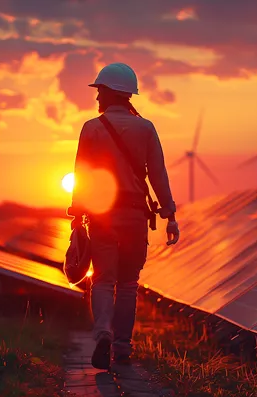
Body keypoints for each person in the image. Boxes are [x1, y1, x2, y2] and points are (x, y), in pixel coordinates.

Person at [67, 62, 180, 370]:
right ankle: (122, 345)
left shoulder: (91, 128)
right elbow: (158, 174)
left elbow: (82, 175)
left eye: (99, 91)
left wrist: (77, 215)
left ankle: (103, 333)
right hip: (134, 215)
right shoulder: (146, 128)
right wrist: (169, 214)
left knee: (103, 279)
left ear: (109, 92)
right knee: (128, 283)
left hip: (102, 215)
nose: (97, 98)